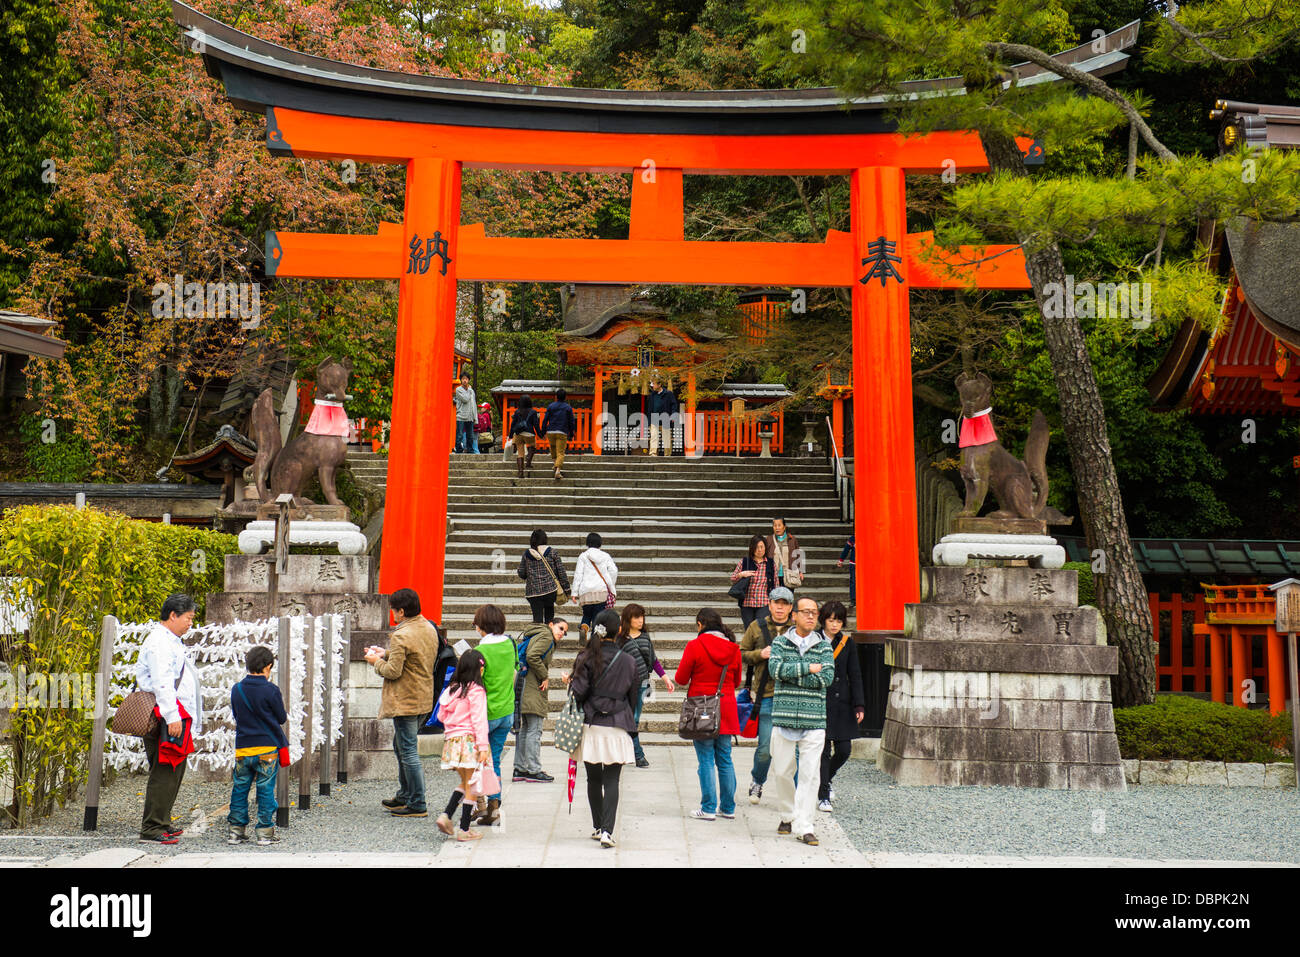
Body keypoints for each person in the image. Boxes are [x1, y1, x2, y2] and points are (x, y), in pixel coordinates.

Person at [563, 608, 638, 848]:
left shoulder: (586, 657)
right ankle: (607, 831)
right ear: (619, 631)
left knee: (593, 779)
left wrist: (572, 682)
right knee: (612, 780)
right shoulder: (629, 660)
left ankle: (597, 827)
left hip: (592, 723)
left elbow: (580, 692)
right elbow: (634, 696)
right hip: (617, 723)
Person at [364, 588, 439, 818]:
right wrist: (385, 653)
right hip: (423, 696)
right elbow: (411, 656)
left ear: (402, 611)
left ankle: (417, 802)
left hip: (406, 700)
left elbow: (394, 672)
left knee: (407, 751)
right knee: (401, 745)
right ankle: (405, 794)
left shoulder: (401, 634)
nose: (393, 615)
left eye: (394, 611)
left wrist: (376, 661)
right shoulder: (428, 627)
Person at [136, 593, 202, 845]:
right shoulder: (160, 643)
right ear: (173, 615)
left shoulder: (170, 640)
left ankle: (161, 820)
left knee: (173, 769)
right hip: (167, 714)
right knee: (165, 769)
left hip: (174, 713)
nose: (190, 623)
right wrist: (172, 716)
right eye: (188, 618)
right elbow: (162, 682)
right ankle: (152, 827)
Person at [769, 596, 835, 845]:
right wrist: (808, 668)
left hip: (814, 718)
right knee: (783, 771)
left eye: (814, 613)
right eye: (805, 611)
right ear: (793, 615)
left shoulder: (824, 646)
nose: (810, 616)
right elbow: (776, 671)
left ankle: (805, 825)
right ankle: (787, 814)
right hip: (784, 715)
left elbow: (826, 678)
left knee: (810, 774)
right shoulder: (780, 642)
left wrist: (793, 671)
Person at [674, 608, 742, 820]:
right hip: (727, 706)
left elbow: (681, 678)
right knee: (725, 758)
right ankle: (728, 808)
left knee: (705, 759)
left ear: (700, 624)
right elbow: (737, 680)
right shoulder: (733, 648)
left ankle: (709, 807)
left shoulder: (695, 645)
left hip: (701, 708)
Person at [738, 586, 794, 805]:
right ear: (769, 604)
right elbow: (742, 654)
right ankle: (757, 780)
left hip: (792, 694)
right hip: (767, 693)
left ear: (790, 607)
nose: (780, 608)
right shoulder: (756, 626)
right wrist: (760, 654)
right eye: (776, 603)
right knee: (765, 747)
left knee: (794, 749)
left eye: (785, 604)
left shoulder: (797, 629)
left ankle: (796, 792)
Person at [227, 646, 287, 846]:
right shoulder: (271, 690)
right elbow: (281, 718)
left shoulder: (237, 689)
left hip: (243, 748)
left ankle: (235, 832)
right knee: (265, 790)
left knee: (240, 789)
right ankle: (264, 833)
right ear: (268, 666)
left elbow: (236, 715)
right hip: (266, 749)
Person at [434, 649, 492, 842]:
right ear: (478, 668)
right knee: (473, 787)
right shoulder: (476, 690)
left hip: (451, 742)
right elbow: (479, 720)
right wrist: (483, 746)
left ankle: (446, 815)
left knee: (466, 783)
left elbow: (441, 716)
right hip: (469, 741)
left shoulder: (452, 688)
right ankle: (464, 829)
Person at [818, 600, 864, 813]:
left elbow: (854, 674)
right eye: (831, 620)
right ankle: (823, 793)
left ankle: (827, 779)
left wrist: (859, 704)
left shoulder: (847, 642)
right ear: (824, 620)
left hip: (843, 703)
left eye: (838, 620)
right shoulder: (815, 640)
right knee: (824, 751)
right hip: (821, 701)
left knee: (845, 750)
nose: (835, 625)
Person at [470, 604, 514, 826]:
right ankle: (495, 804)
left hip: (487, 713)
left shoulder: (481, 652)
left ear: (481, 626)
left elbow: (476, 682)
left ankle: (480, 804)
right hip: (507, 710)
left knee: (476, 760)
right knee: (494, 759)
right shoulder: (509, 644)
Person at [619, 603, 675, 768]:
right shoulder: (620, 639)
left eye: (642, 616)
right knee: (632, 719)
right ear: (628, 619)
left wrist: (665, 678)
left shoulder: (645, 637)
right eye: (636, 617)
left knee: (634, 718)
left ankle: (627, 751)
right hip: (625, 685)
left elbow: (654, 660)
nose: (640, 620)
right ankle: (638, 755)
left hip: (643, 683)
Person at [513, 617, 567, 782]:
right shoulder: (546, 636)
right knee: (534, 730)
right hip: (532, 687)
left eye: (565, 632)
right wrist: (544, 676)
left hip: (524, 685)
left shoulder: (538, 634)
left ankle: (520, 768)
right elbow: (532, 656)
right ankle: (534, 770)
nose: (562, 633)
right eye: (560, 628)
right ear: (551, 625)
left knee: (525, 730)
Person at [571, 532, 618, 644]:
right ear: (600, 543)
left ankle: (584, 628)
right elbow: (613, 570)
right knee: (598, 618)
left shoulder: (583, 556)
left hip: (585, 592)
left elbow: (578, 574)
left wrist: (574, 592)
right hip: (601, 591)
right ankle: (594, 641)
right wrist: (610, 584)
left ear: (587, 543)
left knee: (587, 614)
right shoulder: (605, 556)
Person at [518, 529, 570, 624]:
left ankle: (538, 636)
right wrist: (567, 589)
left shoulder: (527, 554)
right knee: (549, 618)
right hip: (550, 591)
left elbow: (521, 573)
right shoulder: (552, 552)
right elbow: (561, 572)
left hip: (533, 592)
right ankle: (549, 636)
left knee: (537, 620)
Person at [730, 534, 776, 631]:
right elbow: (733, 578)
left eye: (761, 547)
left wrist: (774, 602)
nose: (759, 550)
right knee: (749, 631)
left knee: (760, 630)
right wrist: (741, 574)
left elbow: (776, 583)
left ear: (765, 548)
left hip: (764, 603)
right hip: (747, 603)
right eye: (756, 547)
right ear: (752, 548)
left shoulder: (771, 563)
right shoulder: (745, 562)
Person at [541, 387, 577, 480]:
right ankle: (558, 471)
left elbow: (545, 420)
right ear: (565, 397)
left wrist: (543, 431)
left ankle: (555, 465)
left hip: (551, 431)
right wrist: (571, 433)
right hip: (562, 431)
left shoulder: (551, 406)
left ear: (556, 397)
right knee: (560, 452)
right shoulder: (568, 407)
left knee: (553, 449)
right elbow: (571, 421)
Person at [765, 518, 804, 591]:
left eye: (779, 525)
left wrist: (800, 571)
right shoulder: (769, 539)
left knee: (787, 598)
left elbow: (798, 555)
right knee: (774, 597)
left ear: (784, 527)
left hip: (789, 574)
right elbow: (765, 556)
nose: (777, 528)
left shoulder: (792, 539)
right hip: (773, 575)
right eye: (775, 525)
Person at [507, 395, 541, 478]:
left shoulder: (517, 411)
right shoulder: (533, 412)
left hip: (519, 434)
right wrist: (540, 434)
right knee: (533, 446)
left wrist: (510, 435)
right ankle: (528, 461)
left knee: (520, 453)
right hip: (529, 434)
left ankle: (521, 472)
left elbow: (513, 424)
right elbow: (536, 425)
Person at [647, 379, 679, 456]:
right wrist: (649, 421)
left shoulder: (668, 394)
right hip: (654, 417)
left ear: (659, 384)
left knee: (666, 437)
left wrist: (673, 414)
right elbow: (649, 408)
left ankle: (667, 454)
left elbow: (674, 405)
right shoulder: (652, 395)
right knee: (654, 436)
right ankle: (653, 453)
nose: (652, 386)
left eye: (654, 384)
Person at [454, 373, 478, 453]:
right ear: (461, 380)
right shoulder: (458, 390)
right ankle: (459, 450)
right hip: (461, 415)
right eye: (463, 379)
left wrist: (475, 417)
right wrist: (469, 390)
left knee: (470, 435)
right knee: (460, 434)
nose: (465, 380)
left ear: (468, 380)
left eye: (466, 379)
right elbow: (465, 399)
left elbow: (473, 403)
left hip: (470, 416)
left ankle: (470, 450)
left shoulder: (471, 391)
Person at [837, 534, 856, 607]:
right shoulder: (853, 538)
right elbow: (846, 549)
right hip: (854, 563)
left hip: (864, 564)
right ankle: (853, 600)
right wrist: (841, 560)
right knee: (853, 581)